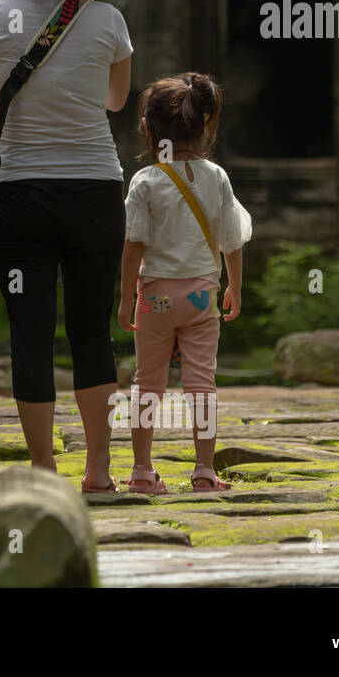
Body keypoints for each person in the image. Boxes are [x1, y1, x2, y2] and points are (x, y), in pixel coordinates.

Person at [0, 0, 134, 493]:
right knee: (92, 330)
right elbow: (115, 102)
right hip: (93, 189)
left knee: (29, 330)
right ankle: (98, 471)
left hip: (19, 194)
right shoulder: (109, 22)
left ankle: (42, 472)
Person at [117, 72, 252, 493]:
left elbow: (132, 247)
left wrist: (124, 300)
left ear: (148, 129)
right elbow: (231, 240)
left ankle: (141, 470)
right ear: (204, 126)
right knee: (201, 383)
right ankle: (204, 470)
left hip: (154, 298)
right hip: (200, 296)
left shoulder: (146, 181)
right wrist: (235, 287)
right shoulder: (216, 178)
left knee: (146, 383)